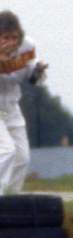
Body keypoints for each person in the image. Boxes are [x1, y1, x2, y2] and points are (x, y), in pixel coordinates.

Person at [0, 11, 47, 195]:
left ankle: (10, 197)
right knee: (5, 151)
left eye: (15, 37)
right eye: (5, 37)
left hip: (10, 106)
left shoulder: (26, 46)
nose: (11, 42)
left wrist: (37, 72)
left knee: (22, 157)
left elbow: (33, 71)